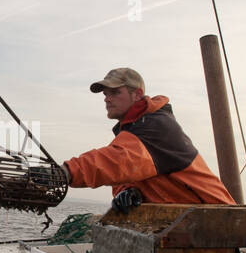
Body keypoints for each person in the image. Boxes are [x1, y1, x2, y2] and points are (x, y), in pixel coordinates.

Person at [61, 68, 235, 210]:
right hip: (186, 224)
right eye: (105, 94)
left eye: (115, 92)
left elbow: (116, 161)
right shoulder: (134, 131)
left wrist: (65, 172)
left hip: (220, 222)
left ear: (137, 94)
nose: (107, 98)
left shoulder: (157, 126)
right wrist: (129, 190)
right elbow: (125, 174)